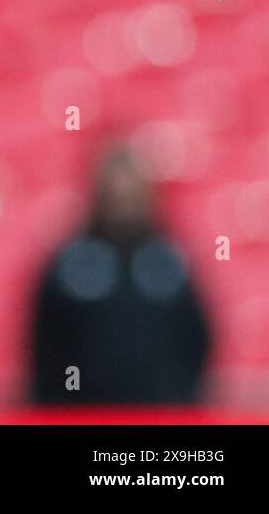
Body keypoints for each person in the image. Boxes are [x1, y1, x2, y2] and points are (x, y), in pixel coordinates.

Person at [30, 143, 212, 405]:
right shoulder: (69, 267)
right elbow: (45, 345)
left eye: (132, 192)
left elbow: (196, 342)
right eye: (115, 191)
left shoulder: (172, 265)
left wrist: (180, 402)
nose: (124, 200)